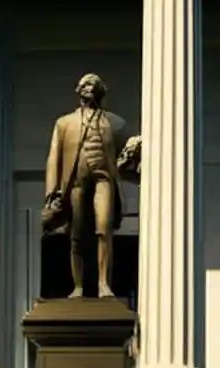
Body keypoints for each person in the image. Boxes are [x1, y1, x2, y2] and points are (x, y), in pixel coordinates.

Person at [42, 73, 133, 298]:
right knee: (77, 233)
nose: (89, 88)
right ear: (79, 90)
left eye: (94, 84)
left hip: (104, 178)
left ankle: (104, 283)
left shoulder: (115, 123)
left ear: (101, 90)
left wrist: (134, 154)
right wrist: (52, 192)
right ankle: (79, 286)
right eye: (86, 84)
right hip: (76, 181)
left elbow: (129, 154)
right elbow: (54, 158)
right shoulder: (64, 123)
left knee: (104, 228)